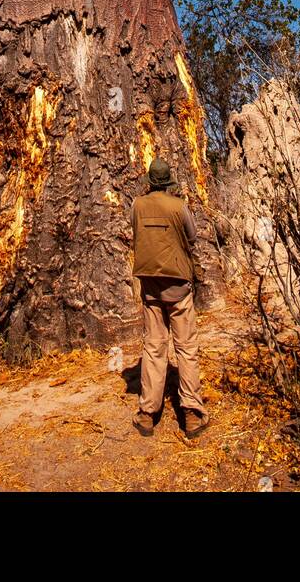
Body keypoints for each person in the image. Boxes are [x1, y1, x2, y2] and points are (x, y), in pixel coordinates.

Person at [130, 157, 208, 439]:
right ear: (169, 182)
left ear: (150, 181)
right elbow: (193, 236)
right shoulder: (179, 206)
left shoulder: (136, 204)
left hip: (150, 285)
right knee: (185, 347)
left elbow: (134, 230)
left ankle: (148, 413)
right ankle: (191, 413)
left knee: (153, 346)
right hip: (178, 286)